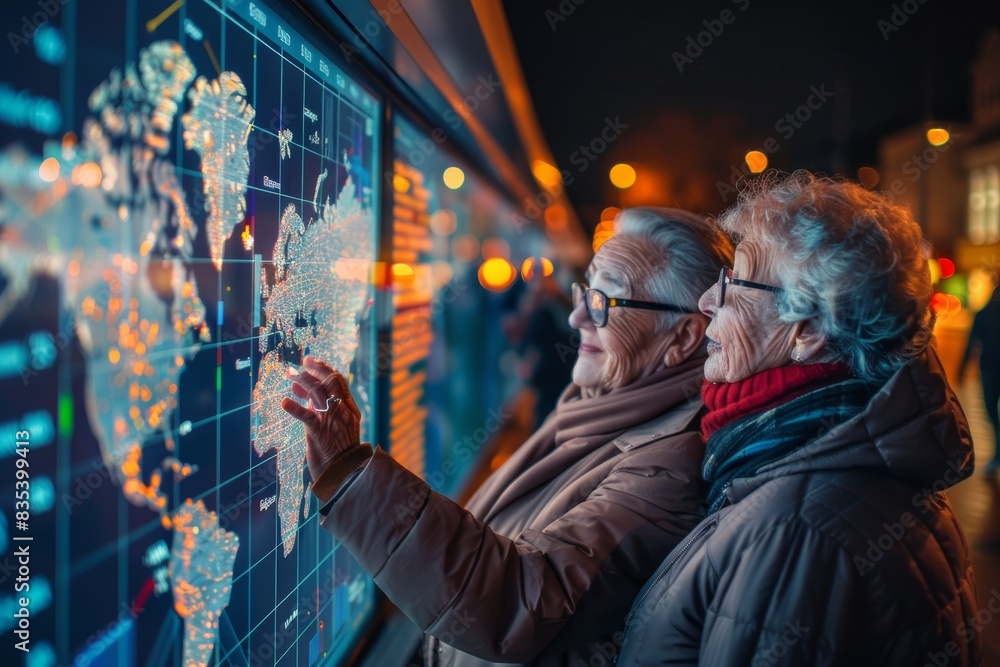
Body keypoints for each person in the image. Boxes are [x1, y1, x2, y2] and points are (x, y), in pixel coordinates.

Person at [281, 208, 734, 666]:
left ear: (683, 336)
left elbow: (522, 601)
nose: (577, 316)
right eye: (585, 291)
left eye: (604, 301)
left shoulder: (668, 472)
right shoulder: (591, 406)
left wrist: (352, 474)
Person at [615, 172, 980, 665]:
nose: (706, 303)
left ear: (807, 330)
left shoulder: (797, 531)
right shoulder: (826, 461)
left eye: (733, 283)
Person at [961, 279, 1000, 476]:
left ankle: (997, 454)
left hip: (989, 370)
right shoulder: (984, 315)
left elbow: (972, 342)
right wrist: (962, 367)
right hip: (990, 370)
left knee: (991, 412)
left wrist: (963, 367)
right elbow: (971, 342)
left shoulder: (983, 314)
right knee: (990, 411)